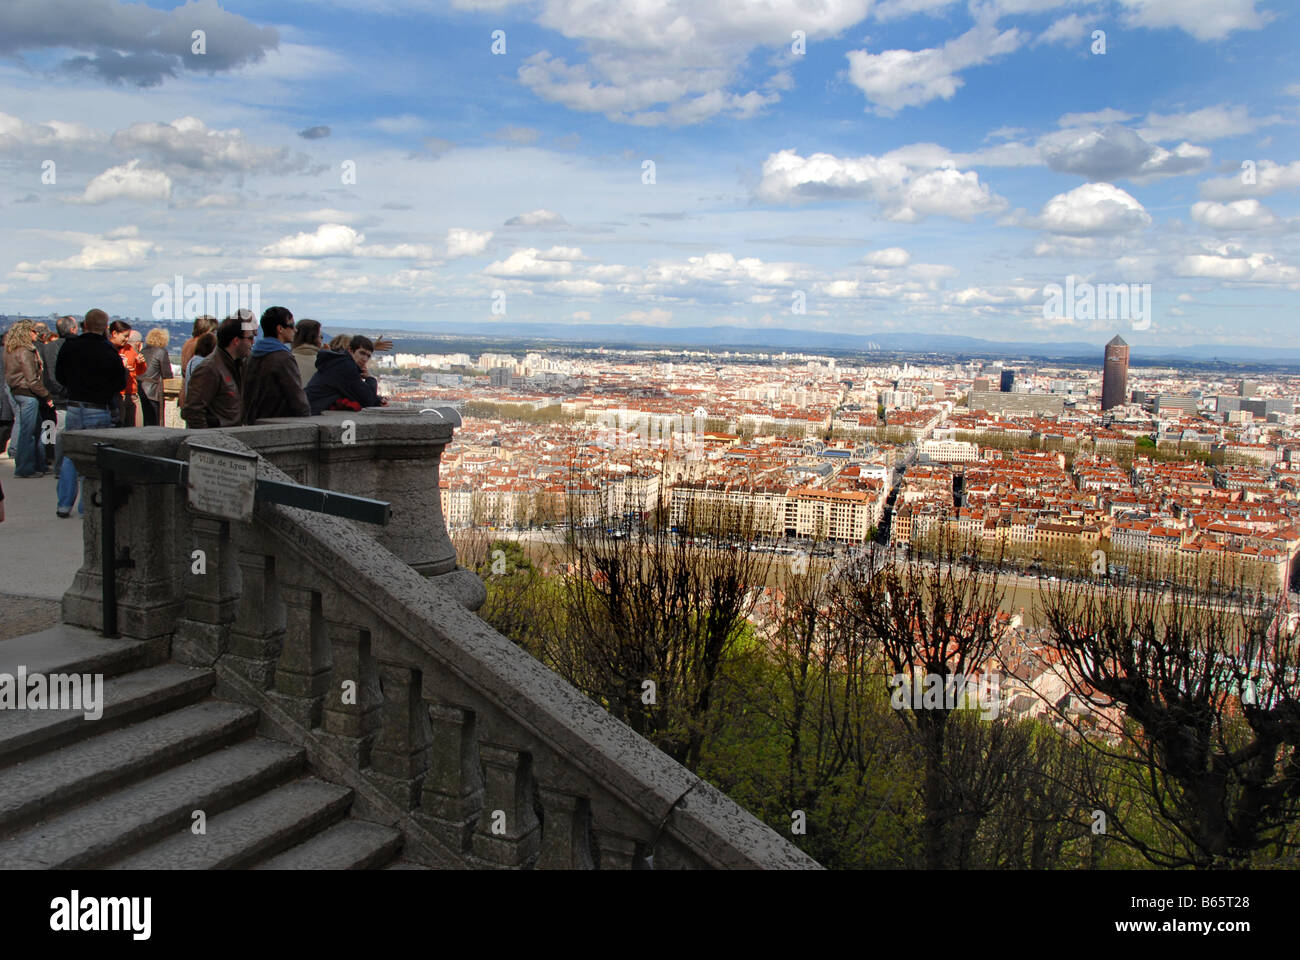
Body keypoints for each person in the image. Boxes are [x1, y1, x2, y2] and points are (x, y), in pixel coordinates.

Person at [56, 308, 126, 517]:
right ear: (105, 328)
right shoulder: (108, 350)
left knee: (71, 454)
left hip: (75, 405)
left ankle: (64, 504)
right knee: (94, 457)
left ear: (84, 325)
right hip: (99, 407)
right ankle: (86, 507)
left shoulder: (71, 346)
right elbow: (119, 382)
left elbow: (60, 374)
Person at [182, 315, 253, 428]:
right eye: (250, 338)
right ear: (236, 341)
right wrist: (210, 439)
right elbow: (192, 411)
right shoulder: (209, 368)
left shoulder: (237, 366)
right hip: (217, 439)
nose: (253, 343)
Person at [242, 306, 309, 425]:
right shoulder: (283, 358)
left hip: (252, 422)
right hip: (277, 423)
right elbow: (297, 398)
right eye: (292, 326)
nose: (295, 330)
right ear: (280, 329)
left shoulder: (252, 356)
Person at [4, 320, 50, 477]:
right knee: (29, 432)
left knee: (36, 429)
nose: (37, 334)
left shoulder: (12, 350)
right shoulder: (26, 351)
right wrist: (46, 395)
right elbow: (32, 380)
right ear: (26, 332)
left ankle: (38, 464)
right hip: (28, 394)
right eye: (34, 331)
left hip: (18, 392)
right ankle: (25, 468)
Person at [306, 335, 389, 415]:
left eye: (368, 356)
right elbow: (367, 400)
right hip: (310, 410)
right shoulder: (346, 366)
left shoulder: (338, 363)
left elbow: (355, 392)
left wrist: (377, 399)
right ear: (350, 350)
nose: (365, 359)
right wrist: (370, 378)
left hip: (310, 407)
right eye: (362, 353)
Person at [41, 315, 78, 476]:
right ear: (72, 329)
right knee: (70, 433)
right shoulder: (75, 346)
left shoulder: (47, 348)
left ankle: (60, 468)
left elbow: (47, 375)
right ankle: (67, 469)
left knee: (60, 432)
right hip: (72, 396)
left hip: (56, 396)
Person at [109, 321, 145, 427]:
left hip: (132, 393)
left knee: (138, 427)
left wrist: (140, 363)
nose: (126, 339)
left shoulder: (129, 349)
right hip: (119, 395)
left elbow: (140, 371)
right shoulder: (109, 349)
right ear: (114, 333)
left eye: (128, 336)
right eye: (125, 336)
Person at [139, 328, 174, 427]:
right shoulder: (161, 352)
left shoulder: (143, 351)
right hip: (152, 392)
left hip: (140, 389)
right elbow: (167, 374)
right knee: (154, 423)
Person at [179, 315, 217, 402]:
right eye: (213, 331)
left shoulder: (188, 343)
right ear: (208, 330)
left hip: (186, 394)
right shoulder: (202, 345)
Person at [291, 319, 323, 385]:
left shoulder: (285, 360)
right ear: (314, 339)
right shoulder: (324, 363)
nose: (322, 340)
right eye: (321, 337)